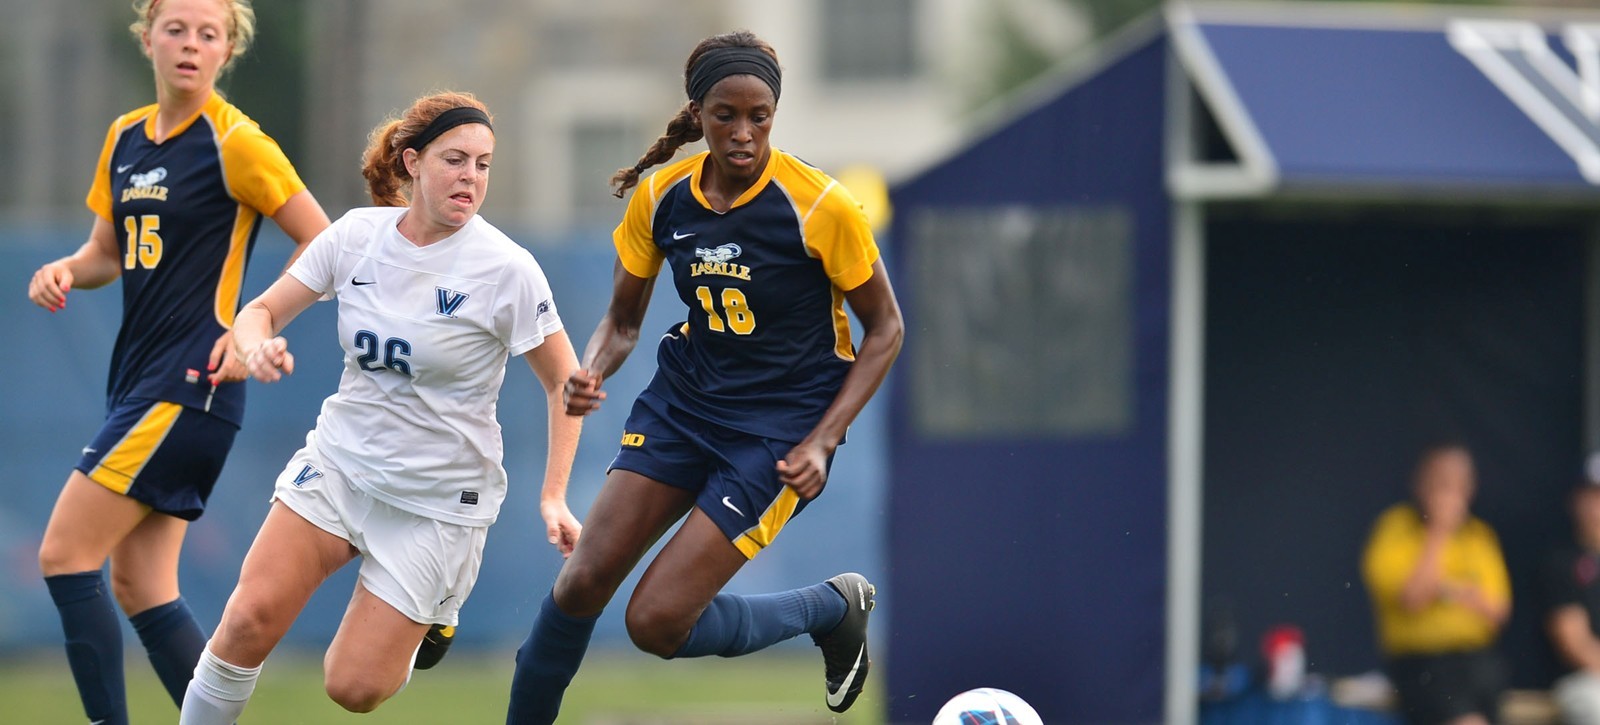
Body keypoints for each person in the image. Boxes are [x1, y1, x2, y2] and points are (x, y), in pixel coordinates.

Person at [505, 29, 904, 723]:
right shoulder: (662, 197)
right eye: (726, 115)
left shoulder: (820, 205)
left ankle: (831, 607)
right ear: (698, 113)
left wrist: (822, 440)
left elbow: (887, 328)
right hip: (684, 405)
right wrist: (592, 368)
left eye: (760, 117)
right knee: (581, 583)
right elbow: (623, 321)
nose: (744, 133)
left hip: (779, 433)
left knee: (654, 622)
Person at [177, 90, 584, 723]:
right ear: (412, 161)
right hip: (341, 468)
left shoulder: (507, 268)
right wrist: (255, 347)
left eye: (483, 164)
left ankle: (435, 616)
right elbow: (258, 313)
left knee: (353, 687)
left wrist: (553, 496)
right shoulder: (356, 236)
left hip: (437, 503)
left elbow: (568, 383)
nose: (471, 178)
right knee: (244, 624)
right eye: (455, 160)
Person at [25, 1, 330, 723]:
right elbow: (106, 251)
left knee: (64, 554)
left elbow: (325, 244)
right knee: (141, 584)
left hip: (193, 381)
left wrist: (254, 326)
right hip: (139, 380)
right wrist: (67, 267)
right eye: (177, 30)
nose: (191, 44)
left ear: (228, 52)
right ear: (148, 40)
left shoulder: (237, 143)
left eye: (209, 35)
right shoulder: (125, 136)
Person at [1361, 444, 1511, 725]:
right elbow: (1413, 599)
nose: (1451, 493)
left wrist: (1447, 591)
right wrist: (1439, 530)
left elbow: (1498, 611)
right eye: (1442, 482)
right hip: (1424, 663)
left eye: (1460, 484)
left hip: (1479, 662)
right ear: (1420, 483)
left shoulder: (1480, 535)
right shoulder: (1394, 527)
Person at [1543, 454, 1600, 724]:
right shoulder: (1562, 562)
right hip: (1582, 682)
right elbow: (1573, 643)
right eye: (1593, 496)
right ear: (1577, 501)